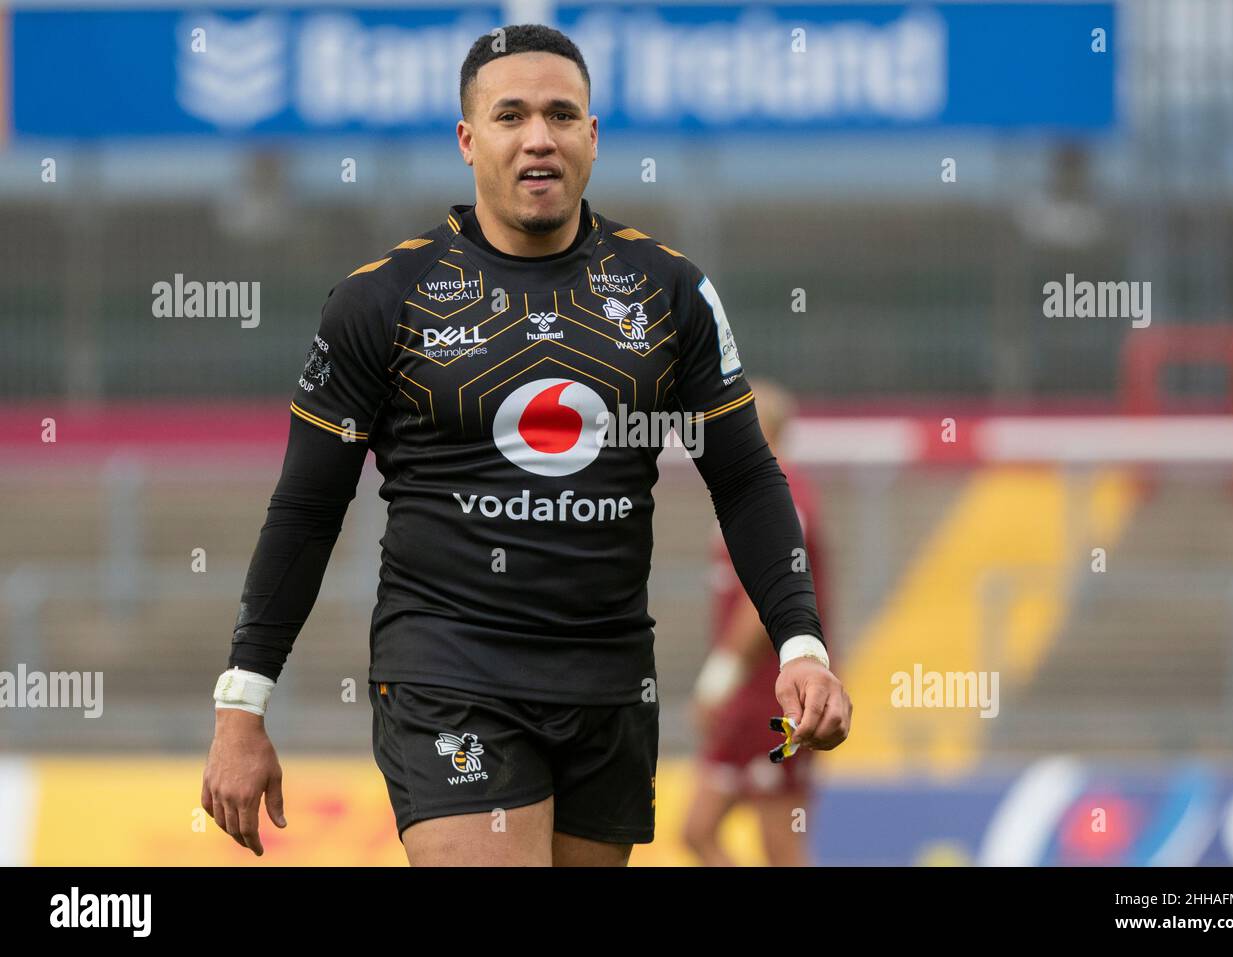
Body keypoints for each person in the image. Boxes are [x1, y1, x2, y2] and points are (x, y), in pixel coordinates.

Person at [201, 23, 851, 867]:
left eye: (560, 114)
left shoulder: (670, 291)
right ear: (469, 140)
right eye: (510, 116)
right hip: (448, 674)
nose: (538, 136)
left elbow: (747, 478)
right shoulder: (381, 301)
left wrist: (800, 645)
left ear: (592, 136)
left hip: (609, 682)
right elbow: (305, 509)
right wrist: (241, 704)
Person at [683, 379, 829, 866]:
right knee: (698, 829)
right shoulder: (752, 496)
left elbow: (764, 604)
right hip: (749, 697)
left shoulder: (781, 499)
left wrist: (719, 678)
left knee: (780, 840)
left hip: (773, 693)